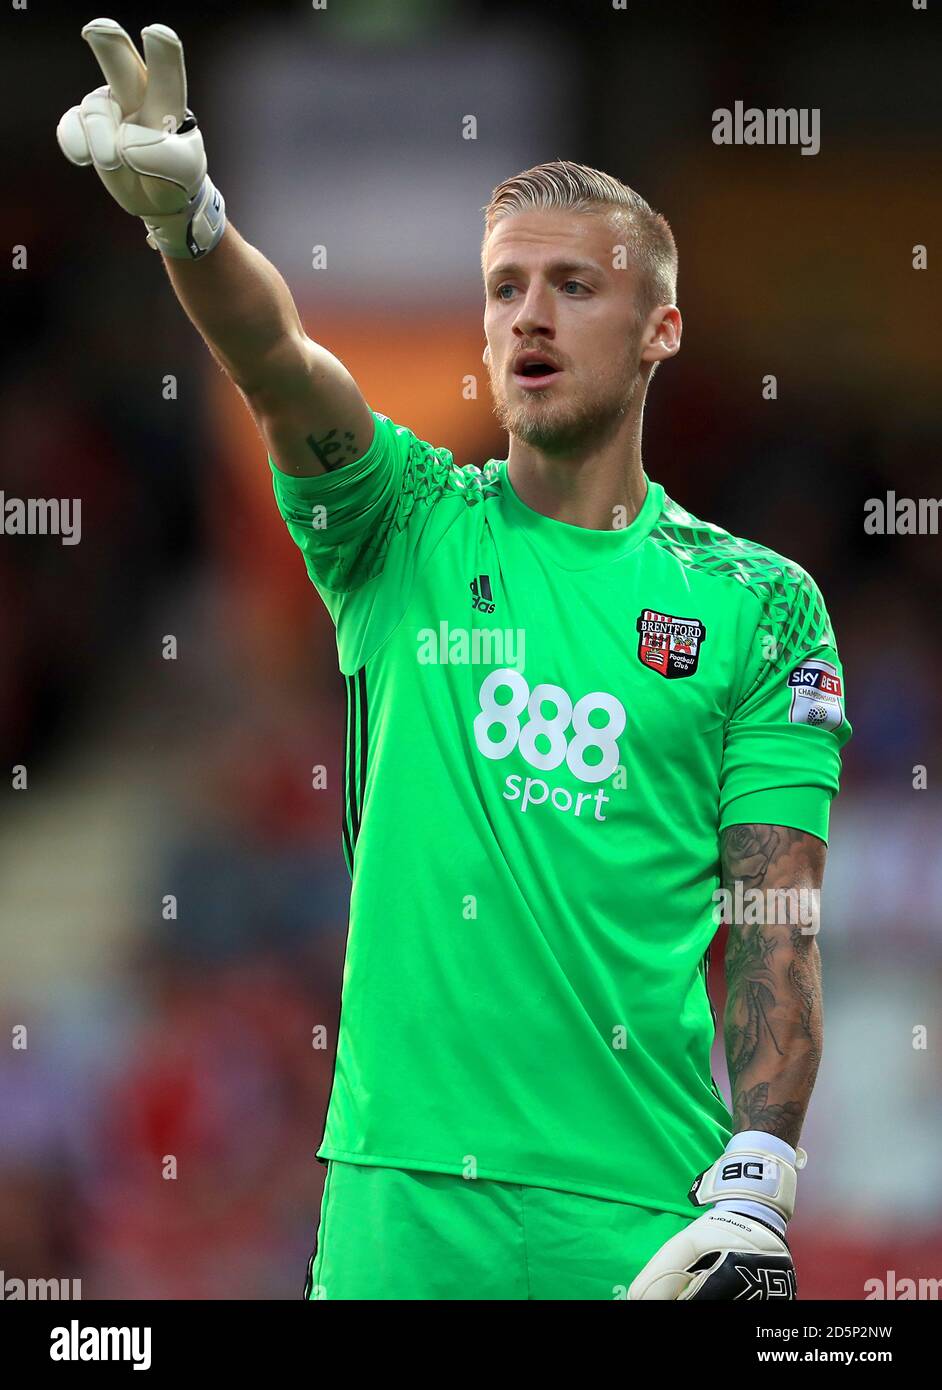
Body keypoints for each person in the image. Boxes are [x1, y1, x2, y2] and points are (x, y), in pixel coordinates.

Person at [58, 19, 852, 1301]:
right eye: (503, 288)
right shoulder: (398, 524)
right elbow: (275, 359)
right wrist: (192, 220)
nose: (528, 315)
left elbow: (773, 914)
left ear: (660, 329)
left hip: (649, 1216)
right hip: (403, 1216)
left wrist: (763, 1166)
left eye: (573, 288)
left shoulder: (761, 604)